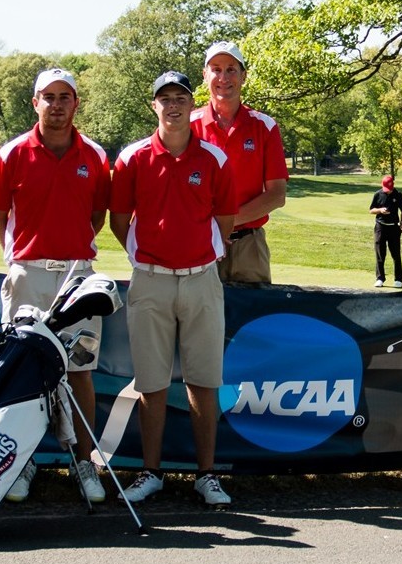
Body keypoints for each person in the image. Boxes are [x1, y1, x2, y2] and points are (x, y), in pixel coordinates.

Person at [110, 70, 236, 507]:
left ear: (191, 103)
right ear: (155, 106)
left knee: (204, 381)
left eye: (181, 97)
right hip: (150, 281)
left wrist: (197, 256)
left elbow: (225, 220)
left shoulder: (214, 159)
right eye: (165, 99)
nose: (174, 105)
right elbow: (119, 221)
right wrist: (148, 259)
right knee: (152, 382)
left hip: (201, 279)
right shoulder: (132, 158)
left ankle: (206, 475)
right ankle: (151, 471)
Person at [0, 67, 111, 504]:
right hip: (29, 273)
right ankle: (22, 462)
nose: (56, 104)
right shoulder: (12, 153)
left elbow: (96, 216)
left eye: (65, 97)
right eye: (48, 97)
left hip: (77, 276)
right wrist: (21, 256)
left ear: (76, 103)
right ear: (34, 102)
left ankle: (84, 463)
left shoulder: (94, 155)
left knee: (79, 372)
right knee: (23, 371)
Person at [190, 41, 288, 284]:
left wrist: (225, 224)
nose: (224, 77)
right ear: (205, 75)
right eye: (216, 69)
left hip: (249, 244)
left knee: (255, 319)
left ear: (243, 76)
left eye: (232, 69)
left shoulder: (264, 126)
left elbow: (276, 195)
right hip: (199, 242)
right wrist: (212, 231)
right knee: (199, 319)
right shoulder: (188, 126)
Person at [369, 175, 402, 287]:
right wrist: (380, 210)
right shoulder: (378, 194)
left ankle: (398, 279)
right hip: (380, 227)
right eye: (386, 189)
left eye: (389, 189)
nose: (388, 191)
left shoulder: (398, 195)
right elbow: (371, 210)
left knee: (396, 254)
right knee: (380, 253)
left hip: (394, 227)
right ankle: (380, 278)